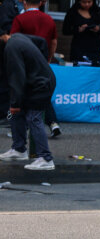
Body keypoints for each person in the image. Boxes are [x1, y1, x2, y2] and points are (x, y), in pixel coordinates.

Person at [0, 33, 56, 170]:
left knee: (33, 118)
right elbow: (41, 41)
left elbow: (17, 76)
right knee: (16, 114)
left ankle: (46, 158)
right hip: (39, 80)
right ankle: (19, 149)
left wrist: (15, 103)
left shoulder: (11, 48)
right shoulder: (18, 37)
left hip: (40, 85)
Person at [11, 0, 62, 138]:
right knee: (41, 93)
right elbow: (53, 41)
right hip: (42, 61)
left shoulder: (20, 19)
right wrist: (49, 58)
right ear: (40, 3)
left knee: (23, 94)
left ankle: (20, 131)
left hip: (24, 62)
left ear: (24, 3)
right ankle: (52, 123)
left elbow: (14, 40)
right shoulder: (49, 19)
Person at [62, 0, 100, 64]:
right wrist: (78, 30)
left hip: (95, 48)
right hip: (78, 48)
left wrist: (98, 29)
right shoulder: (72, 12)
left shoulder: (99, 12)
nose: (87, 4)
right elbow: (65, 30)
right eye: (84, 2)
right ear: (78, 1)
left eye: (89, 2)